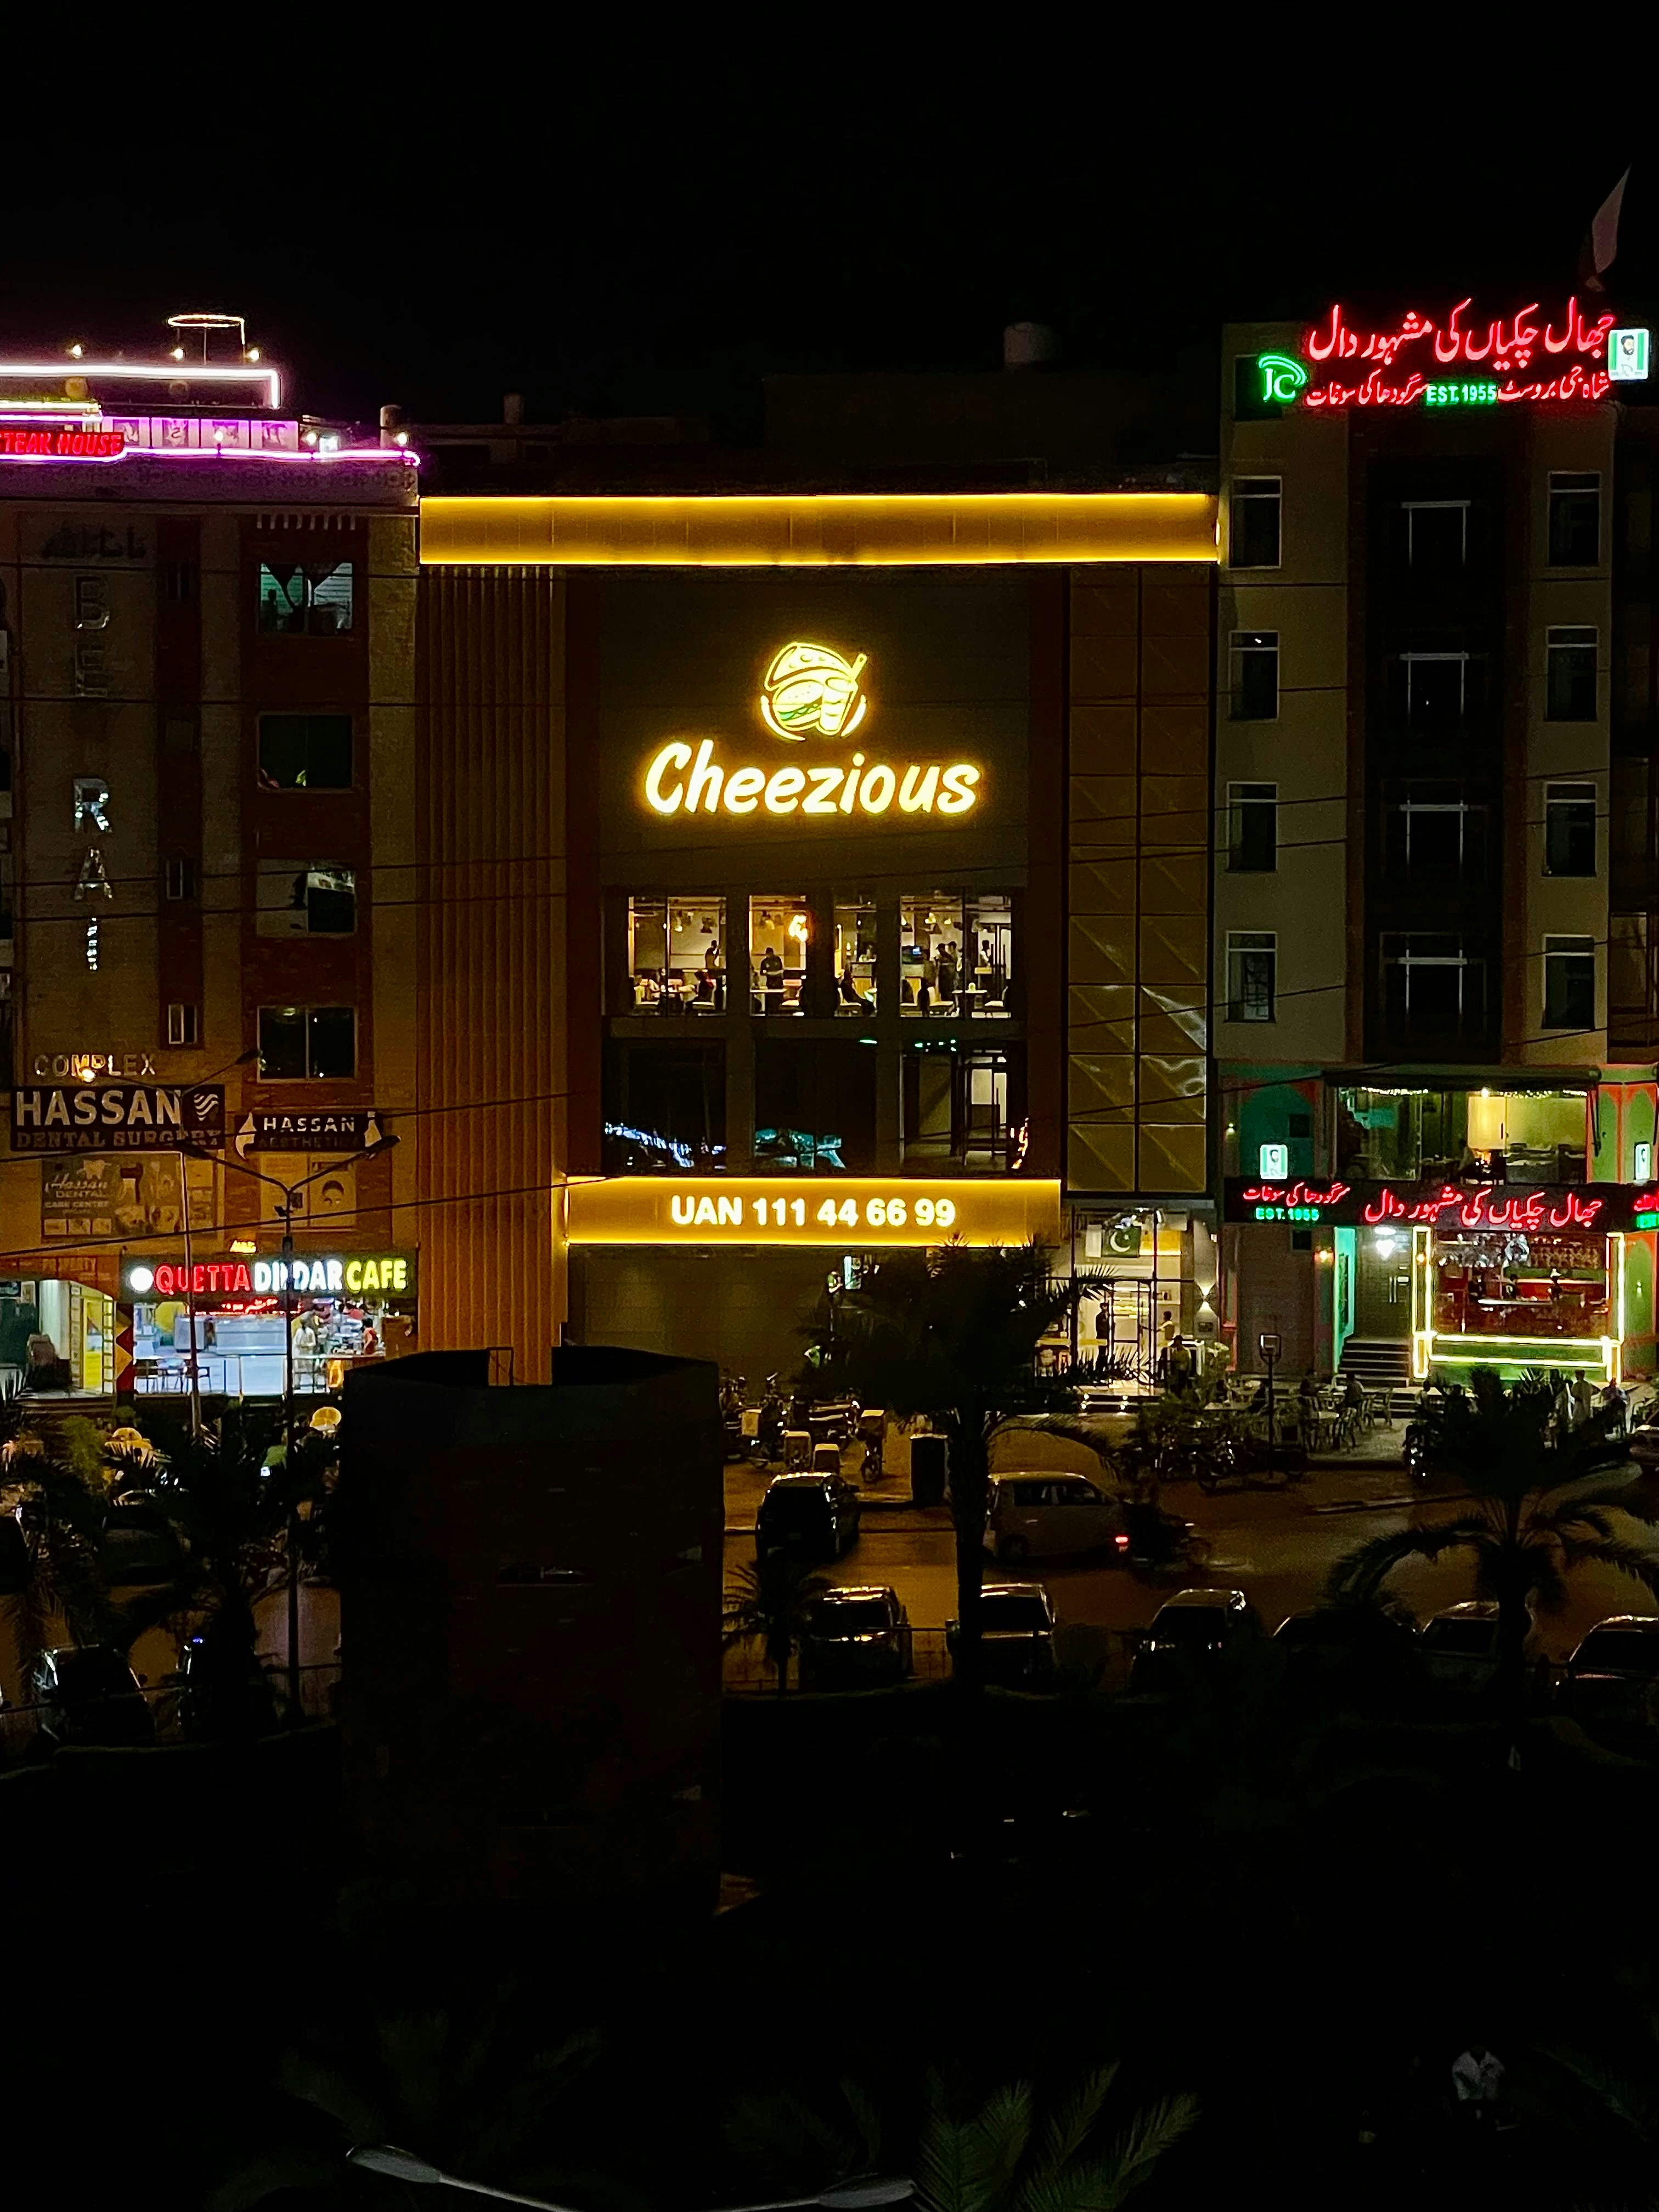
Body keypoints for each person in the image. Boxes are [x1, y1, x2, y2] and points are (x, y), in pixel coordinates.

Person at [1451, 2041, 1503, 2118]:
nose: (1479, 2048)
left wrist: (1490, 2072)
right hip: (1468, 2097)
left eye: (1481, 2045)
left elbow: (1501, 2070)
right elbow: (1459, 2076)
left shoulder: (1489, 2057)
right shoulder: (1463, 2060)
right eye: (1476, 2046)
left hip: (1486, 2096)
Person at [759, 944, 785, 1015]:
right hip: (770, 982)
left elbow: (781, 970)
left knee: (778, 997)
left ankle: (777, 1010)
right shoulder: (765, 962)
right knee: (770, 998)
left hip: (778, 982)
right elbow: (762, 972)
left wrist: (771, 973)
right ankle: (770, 1011)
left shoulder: (778, 960)